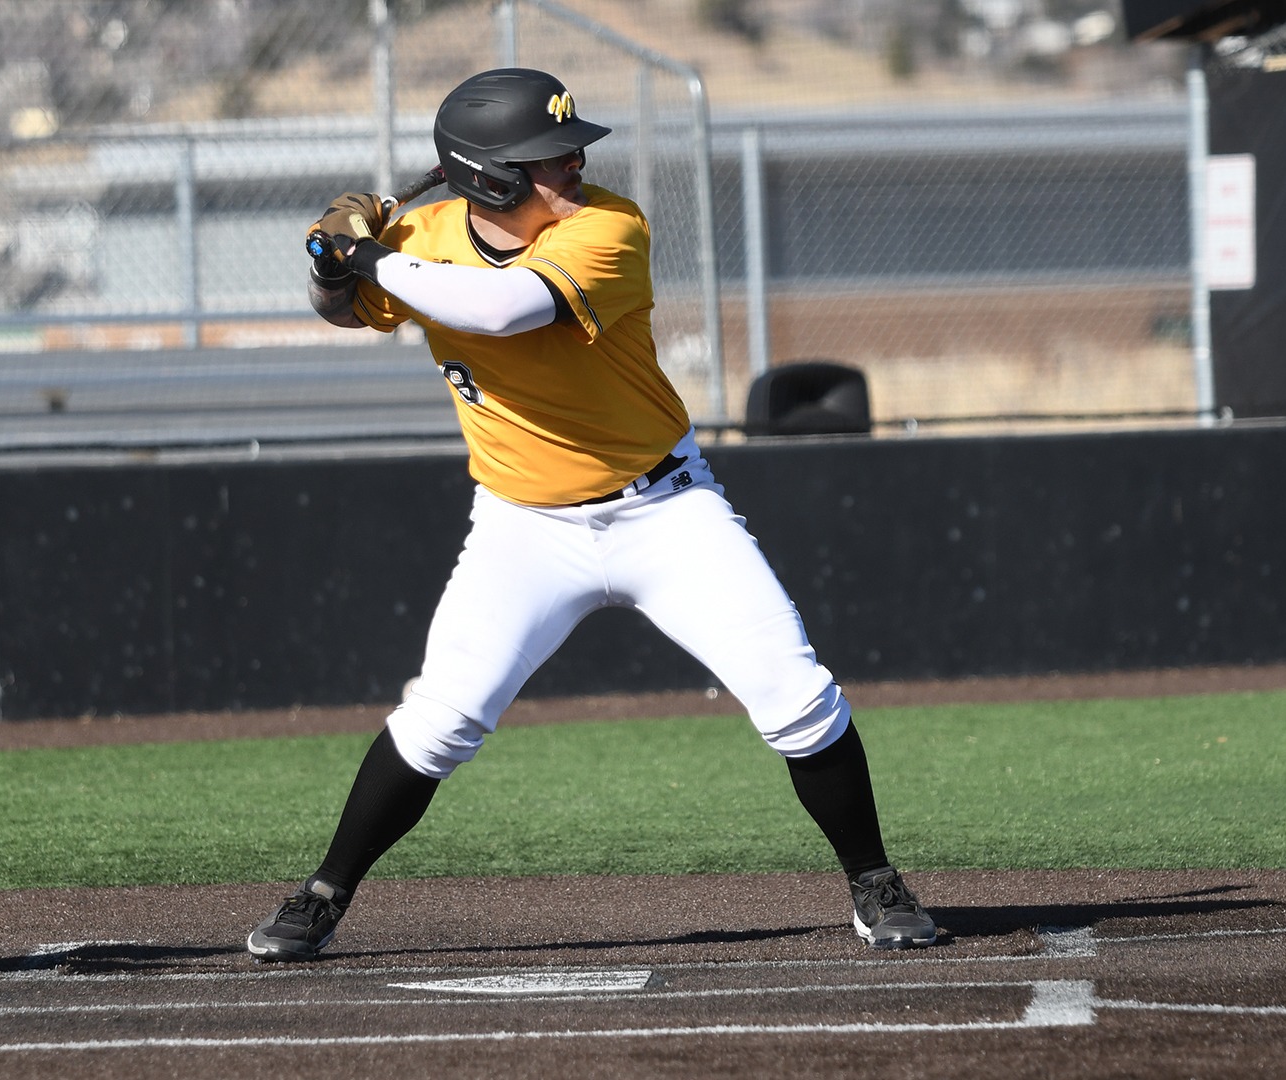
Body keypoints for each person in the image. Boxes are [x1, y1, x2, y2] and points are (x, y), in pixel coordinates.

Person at [247, 69, 937, 961]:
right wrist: (327, 261)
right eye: (549, 159)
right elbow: (343, 309)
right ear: (488, 178)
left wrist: (366, 253)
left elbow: (497, 309)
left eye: (572, 151)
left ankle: (873, 881)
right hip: (522, 525)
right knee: (439, 719)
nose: (574, 166)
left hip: (666, 511)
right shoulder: (420, 236)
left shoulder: (611, 226)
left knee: (798, 697)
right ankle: (323, 892)